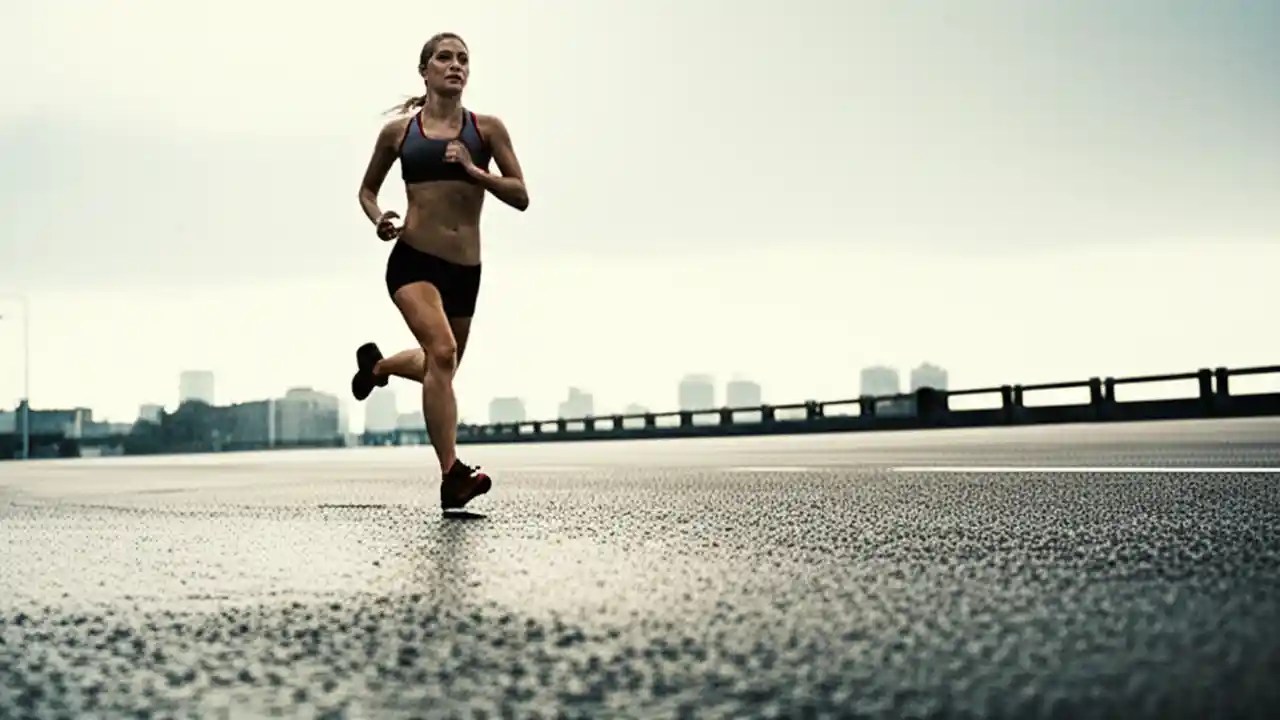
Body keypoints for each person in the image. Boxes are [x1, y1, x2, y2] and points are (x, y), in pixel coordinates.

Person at [352, 31, 528, 511]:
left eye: (464, 59)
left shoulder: (486, 130)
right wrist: (380, 218)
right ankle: (452, 474)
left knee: (439, 367)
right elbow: (367, 191)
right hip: (413, 262)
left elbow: (520, 195)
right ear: (425, 70)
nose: (456, 65)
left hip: (465, 272)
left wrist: (474, 170)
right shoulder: (400, 134)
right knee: (444, 353)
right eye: (445, 58)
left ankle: (378, 366)